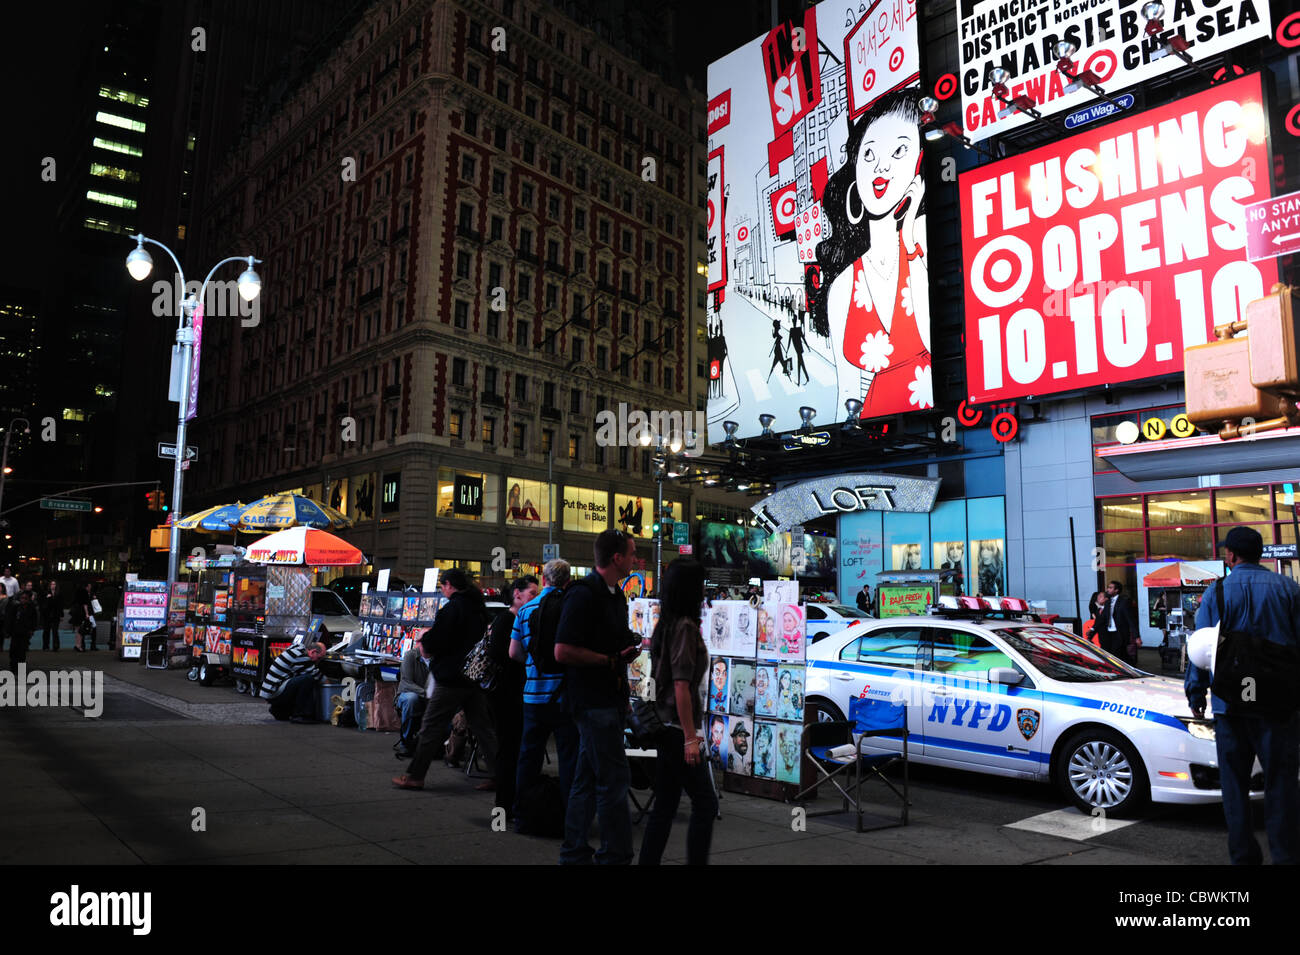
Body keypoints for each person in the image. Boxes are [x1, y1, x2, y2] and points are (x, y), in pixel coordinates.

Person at [1186, 527, 1300, 865]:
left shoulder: (1216, 593)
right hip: (1278, 705)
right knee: (1281, 783)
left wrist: (1196, 693)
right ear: (1260, 554)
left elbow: (1200, 649)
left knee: (1233, 785)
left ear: (1232, 556)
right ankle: (1285, 856)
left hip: (1230, 702)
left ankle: (1243, 856)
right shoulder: (1289, 588)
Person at [818, 88, 929, 416]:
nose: (881, 166)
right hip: (872, 437)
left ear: (919, 163)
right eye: (869, 155)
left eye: (899, 151)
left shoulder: (923, 238)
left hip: (942, 429)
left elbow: (932, 337)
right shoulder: (842, 288)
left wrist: (908, 240)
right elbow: (846, 397)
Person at [554, 529, 641, 865]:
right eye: (632, 553)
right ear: (616, 558)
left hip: (609, 699)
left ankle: (574, 852)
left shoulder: (614, 595)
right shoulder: (583, 594)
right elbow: (562, 651)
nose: (635, 559)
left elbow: (609, 646)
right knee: (614, 780)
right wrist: (608, 660)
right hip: (592, 703)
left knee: (587, 779)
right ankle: (615, 855)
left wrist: (622, 653)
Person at [639, 557, 717, 865]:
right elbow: (682, 687)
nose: (703, 590)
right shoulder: (684, 628)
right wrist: (690, 738)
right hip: (675, 729)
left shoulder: (668, 624)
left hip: (666, 726)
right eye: (700, 583)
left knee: (665, 806)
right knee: (706, 803)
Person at [393, 570, 497, 791]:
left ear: (449, 585)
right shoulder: (478, 609)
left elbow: (436, 641)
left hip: (451, 678)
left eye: (443, 586)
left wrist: (424, 638)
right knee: (483, 728)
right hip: (473, 677)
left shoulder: (452, 609)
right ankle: (500, 775)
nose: (442, 590)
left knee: (431, 726)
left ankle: (415, 775)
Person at [511, 559, 579, 831]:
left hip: (533, 696)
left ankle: (522, 813)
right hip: (564, 697)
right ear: (568, 580)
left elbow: (514, 653)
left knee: (528, 756)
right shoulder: (572, 609)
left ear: (544, 580)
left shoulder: (525, 610)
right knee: (569, 758)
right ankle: (569, 817)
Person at [487, 575, 539, 807]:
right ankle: (505, 802)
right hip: (506, 694)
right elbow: (501, 656)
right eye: (532, 594)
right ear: (517, 594)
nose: (535, 598)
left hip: (513, 693)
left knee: (513, 747)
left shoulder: (517, 620)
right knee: (509, 747)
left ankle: (510, 799)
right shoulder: (507, 621)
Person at [259, 640, 328, 722]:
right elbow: (319, 677)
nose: (318, 661)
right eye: (319, 658)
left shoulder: (298, 648)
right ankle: (301, 715)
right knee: (307, 679)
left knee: (302, 678)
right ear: (313, 652)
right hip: (274, 693)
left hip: (271, 690)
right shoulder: (301, 658)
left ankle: (278, 709)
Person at [394, 630, 434, 758]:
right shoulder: (410, 656)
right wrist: (426, 693)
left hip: (429, 697)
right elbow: (406, 682)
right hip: (408, 695)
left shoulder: (438, 657)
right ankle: (406, 742)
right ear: (418, 643)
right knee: (412, 699)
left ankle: (441, 745)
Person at [1096, 580, 1137, 663]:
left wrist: (1137, 636)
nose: (1108, 590)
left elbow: (1130, 619)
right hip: (1109, 632)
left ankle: (1128, 667)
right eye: (1108, 587)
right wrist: (1093, 629)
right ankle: (1128, 666)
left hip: (1120, 633)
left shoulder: (1123, 601)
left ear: (1116, 590)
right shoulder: (1108, 602)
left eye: (1110, 588)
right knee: (1116, 653)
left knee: (1118, 653)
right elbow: (1102, 618)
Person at [5, 589, 37, 672]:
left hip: (25, 633)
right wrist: (8, 631)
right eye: (22, 598)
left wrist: (32, 630)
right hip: (15, 632)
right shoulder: (15, 607)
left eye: (25, 598)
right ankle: (13, 667)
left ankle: (21, 669)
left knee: (22, 652)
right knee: (13, 650)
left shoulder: (31, 608)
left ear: (28, 599)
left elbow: (34, 620)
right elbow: (10, 619)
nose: (23, 600)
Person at [40, 580, 62, 652]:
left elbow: (60, 605)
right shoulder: (45, 593)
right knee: (46, 631)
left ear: (56, 585)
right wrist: (47, 598)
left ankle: (55, 646)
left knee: (55, 631)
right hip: (47, 615)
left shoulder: (58, 594)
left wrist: (61, 615)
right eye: (52, 584)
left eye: (54, 584)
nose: (53, 585)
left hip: (56, 615)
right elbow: (43, 604)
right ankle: (45, 646)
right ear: (50, 585)